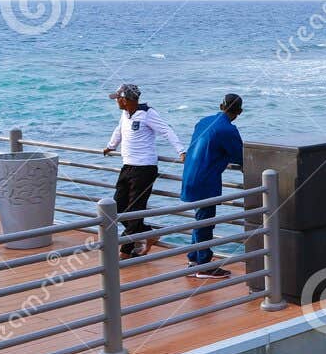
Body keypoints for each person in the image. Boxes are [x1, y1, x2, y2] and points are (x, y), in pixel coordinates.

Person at [103, 83, 185, 258]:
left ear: (125, 99)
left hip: (144, 169)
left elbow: (167, 131)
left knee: (135, 210)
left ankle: (125, 251)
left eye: (117, 98)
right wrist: (110, 146)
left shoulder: (148, 113)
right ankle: (148, 233)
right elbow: (119, 131)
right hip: (127, 166)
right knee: (117, 207)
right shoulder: (125, 114)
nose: (116, 101)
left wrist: (181, 151)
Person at [181, 93, 245, 276]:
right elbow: (240, 157)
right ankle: (204, 264)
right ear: (239, 111)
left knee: (201, 219)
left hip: (190, 175)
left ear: (220, 106)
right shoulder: (228, 130)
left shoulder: (203, 121)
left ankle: (194, 258)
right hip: (206, 180)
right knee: (206, 222)